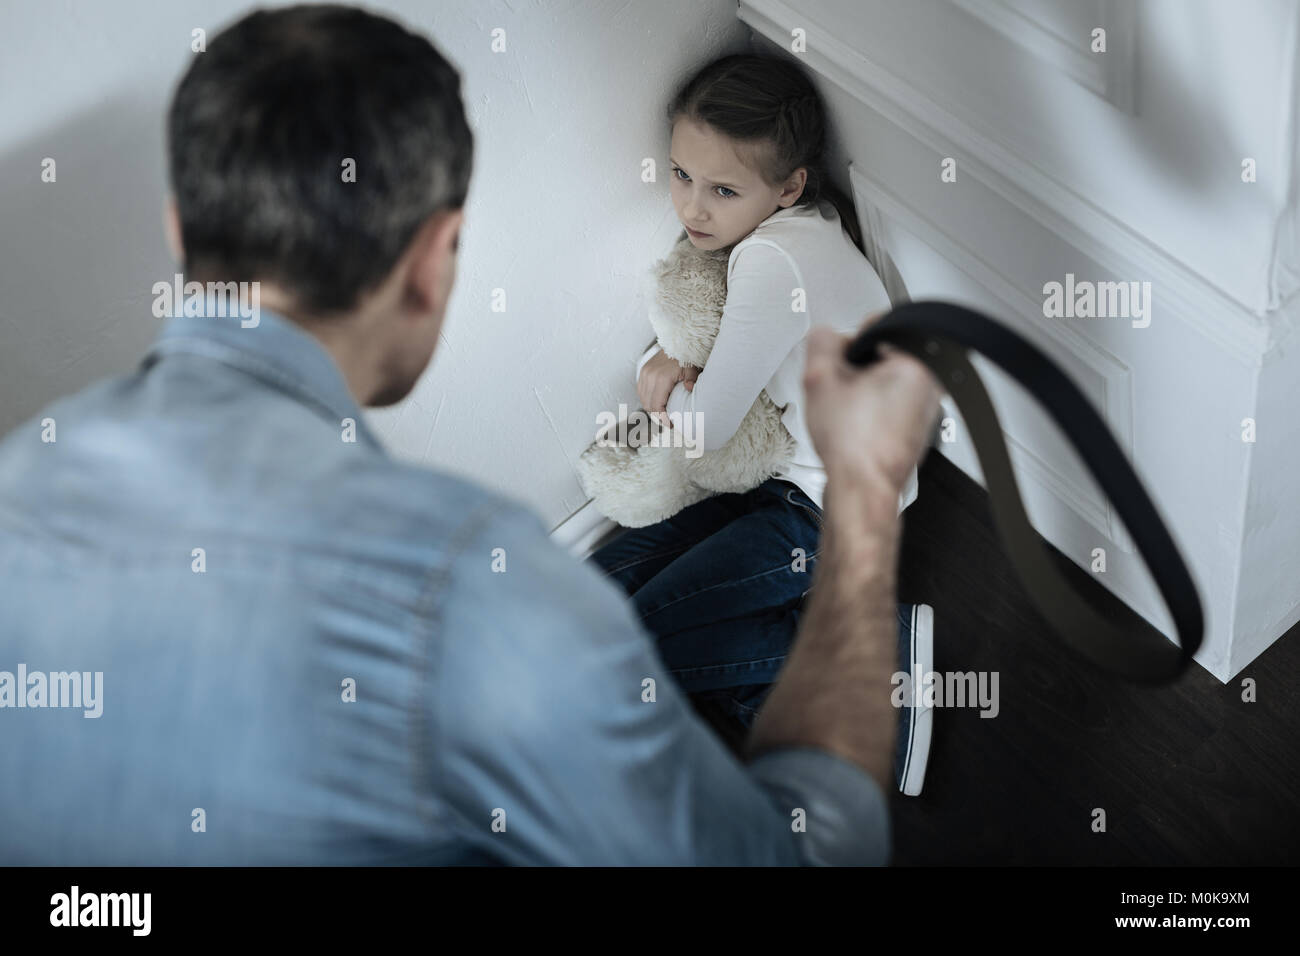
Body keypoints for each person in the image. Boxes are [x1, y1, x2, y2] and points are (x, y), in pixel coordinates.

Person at [0, 5, 941, 865]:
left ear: (178, 232)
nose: (692, 202)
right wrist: (863, 502)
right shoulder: (471, 587)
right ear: (435, 263)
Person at [589, 54, 933, 794]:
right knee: (600, 586)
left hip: (829, 509)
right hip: (791, 480)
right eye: (681, 174)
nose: (692, 210)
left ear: (788, 187)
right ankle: (763, 698)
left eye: (721, 189)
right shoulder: (802, 228)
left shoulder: (775, 262)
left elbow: (703, 431)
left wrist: (658, 386)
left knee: (631, 643)